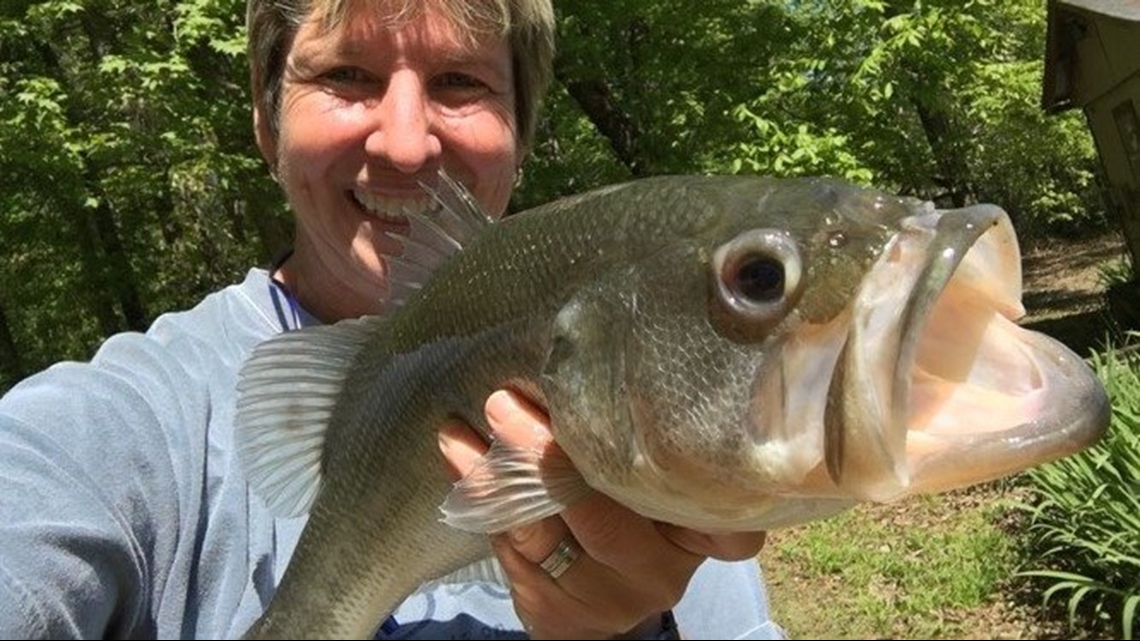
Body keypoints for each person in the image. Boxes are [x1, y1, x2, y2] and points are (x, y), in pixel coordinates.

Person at [0, 0, 785, 638]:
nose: (406, 146)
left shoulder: (645, 399)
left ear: (521, 133)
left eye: (459, 82)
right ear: (267, 121)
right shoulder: (119, 426)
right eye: (346, 74)